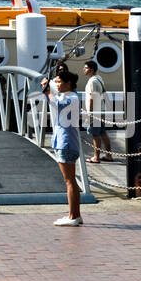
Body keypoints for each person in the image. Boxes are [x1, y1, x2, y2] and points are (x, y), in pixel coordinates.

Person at [41, 67, 84, 225]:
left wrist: (49, 90)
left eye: (59, 82)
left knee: (70, 181)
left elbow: (57, 103)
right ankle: (75, 215)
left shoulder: (71, 97)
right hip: (65, 142)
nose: (57, 85)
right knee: (70, 181)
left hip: (66, 143)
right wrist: (48, 90)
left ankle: (73, 216)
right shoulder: (70, 96)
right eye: (56, 82)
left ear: (68, 83)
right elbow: (53, 102)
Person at [83, 59, 112, 163]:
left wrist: (89, 114)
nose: (84, 69)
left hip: (95, 112)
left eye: (86, 68)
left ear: (91, 69)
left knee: (95, 135)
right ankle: (109, 155)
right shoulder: (99, 78)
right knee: (103, 133)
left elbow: (92, 98)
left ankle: (96, 157)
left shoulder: (92, 81)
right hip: (101, 110)